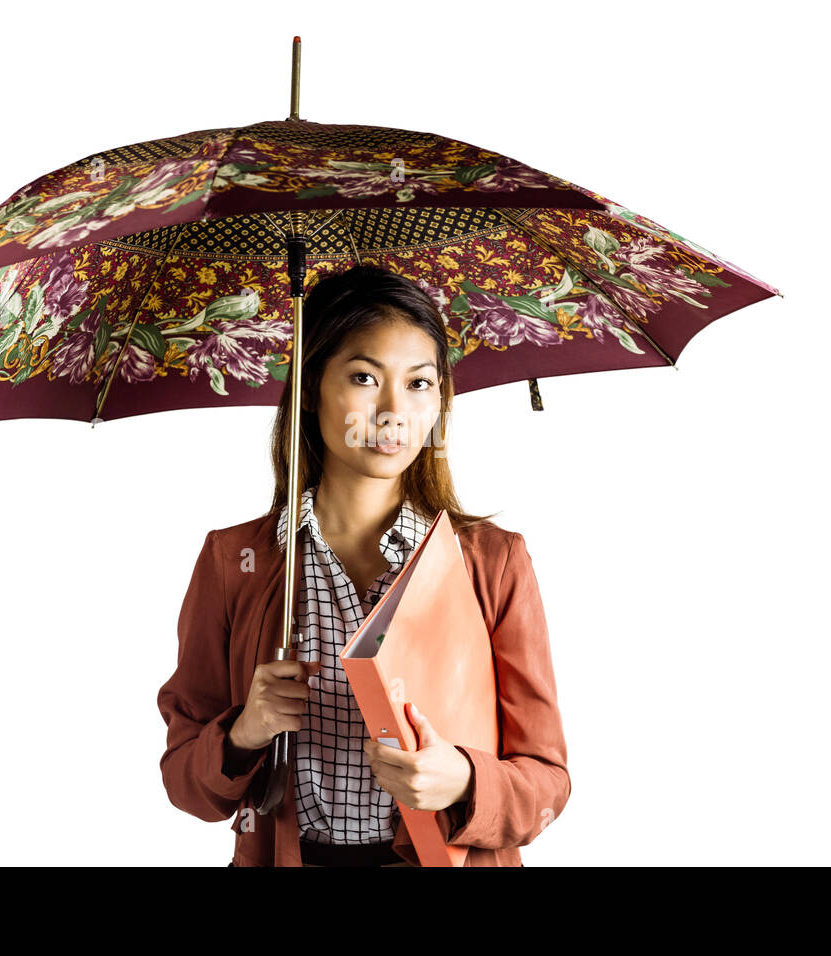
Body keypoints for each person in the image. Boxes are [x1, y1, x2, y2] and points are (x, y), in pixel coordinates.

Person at [156, 264, 570, 866]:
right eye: (362, 377)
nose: (392, 411)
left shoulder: (493, 562)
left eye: (420, 383)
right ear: (310, 390)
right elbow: (184, 782)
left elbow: (547, 781)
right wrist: (244, 731)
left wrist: (462, 781)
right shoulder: (233, 562)